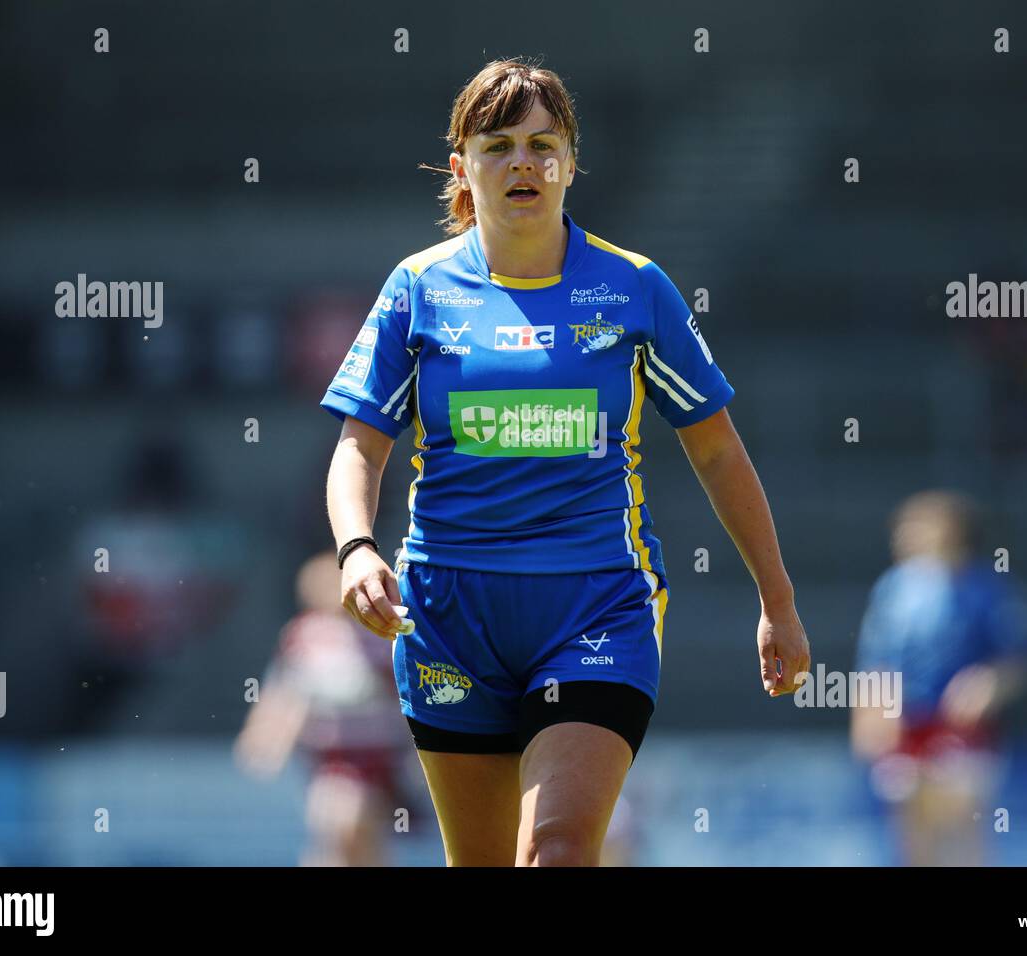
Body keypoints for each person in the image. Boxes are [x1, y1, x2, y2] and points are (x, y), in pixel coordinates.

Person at [322, 57, 809, 867]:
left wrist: (778, 601)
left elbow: (718, 449)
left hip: (595, 609)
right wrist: (356, 548)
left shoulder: (635, 290)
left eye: (544, 144)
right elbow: (359, 446)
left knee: (556, 849)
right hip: (448, 615)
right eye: (499, 144)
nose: (523, 163)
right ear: (462, 168)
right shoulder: (416, 290)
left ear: (572, 164)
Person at [849, 490, 1027, 866]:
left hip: (960, 726)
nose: (905, 534)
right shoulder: (893, 589)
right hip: (905, 725)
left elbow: (1016, 659)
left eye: (919, 525)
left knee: (961, 821)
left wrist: (990, 684)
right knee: (912, 829)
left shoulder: (986, 588)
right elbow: (875, 659)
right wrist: (867, 714)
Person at [235, 551, 406, 866]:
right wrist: (264, 736)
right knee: (337, 824)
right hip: (330, 755)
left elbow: (401, 688)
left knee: (362, 832)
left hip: (378, 753)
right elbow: (285, 690)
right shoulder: (303, 635)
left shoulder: (381, 630)